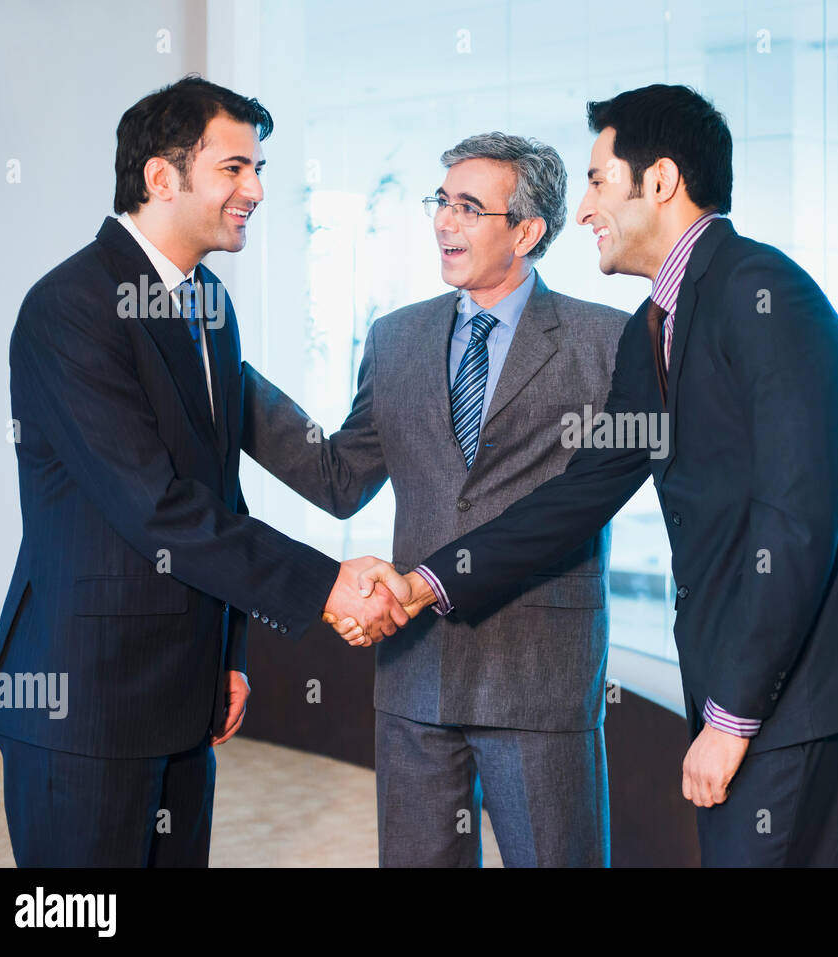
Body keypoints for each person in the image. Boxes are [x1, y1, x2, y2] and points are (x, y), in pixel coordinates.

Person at [345, 84, 838, 867]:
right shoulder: (660, 322)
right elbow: (580, 494)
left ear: (662, 181)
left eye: (598, 181)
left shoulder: (765, 294)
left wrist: (735, 716)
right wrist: (425, 584)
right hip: (747, 683)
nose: (583, 211)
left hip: (800, 689)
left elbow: (799, 521)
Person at [0, 75, 403, 867]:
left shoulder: (208, 303)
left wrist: (229, 654)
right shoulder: (70, 306)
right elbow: (157, 508)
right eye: (235, 168)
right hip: (85, 703)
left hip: (183, 695)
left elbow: (221, 491)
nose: (257, 189)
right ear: (161, 176)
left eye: (259, 168)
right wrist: (326, 585)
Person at [242, 133, 628, 866]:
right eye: (442, 202)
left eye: (470, 208)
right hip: (416, 673)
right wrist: (227, 380)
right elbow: (340, 477)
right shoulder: (396, 339)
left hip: (538, 675)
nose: (445, 222)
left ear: (526, 231)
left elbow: (595, 494)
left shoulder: (602, 341)